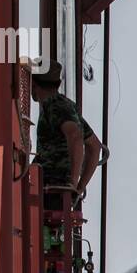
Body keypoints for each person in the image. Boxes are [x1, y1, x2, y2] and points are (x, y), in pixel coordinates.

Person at [31, 61, 102, 200]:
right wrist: (79, 187)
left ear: (33, 83)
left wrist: (72, 185)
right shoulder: (65, 105)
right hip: (52, 188)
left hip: (50, 188)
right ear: (57, 84)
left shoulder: (54, 107)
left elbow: (75, 136)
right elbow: (94, 146)